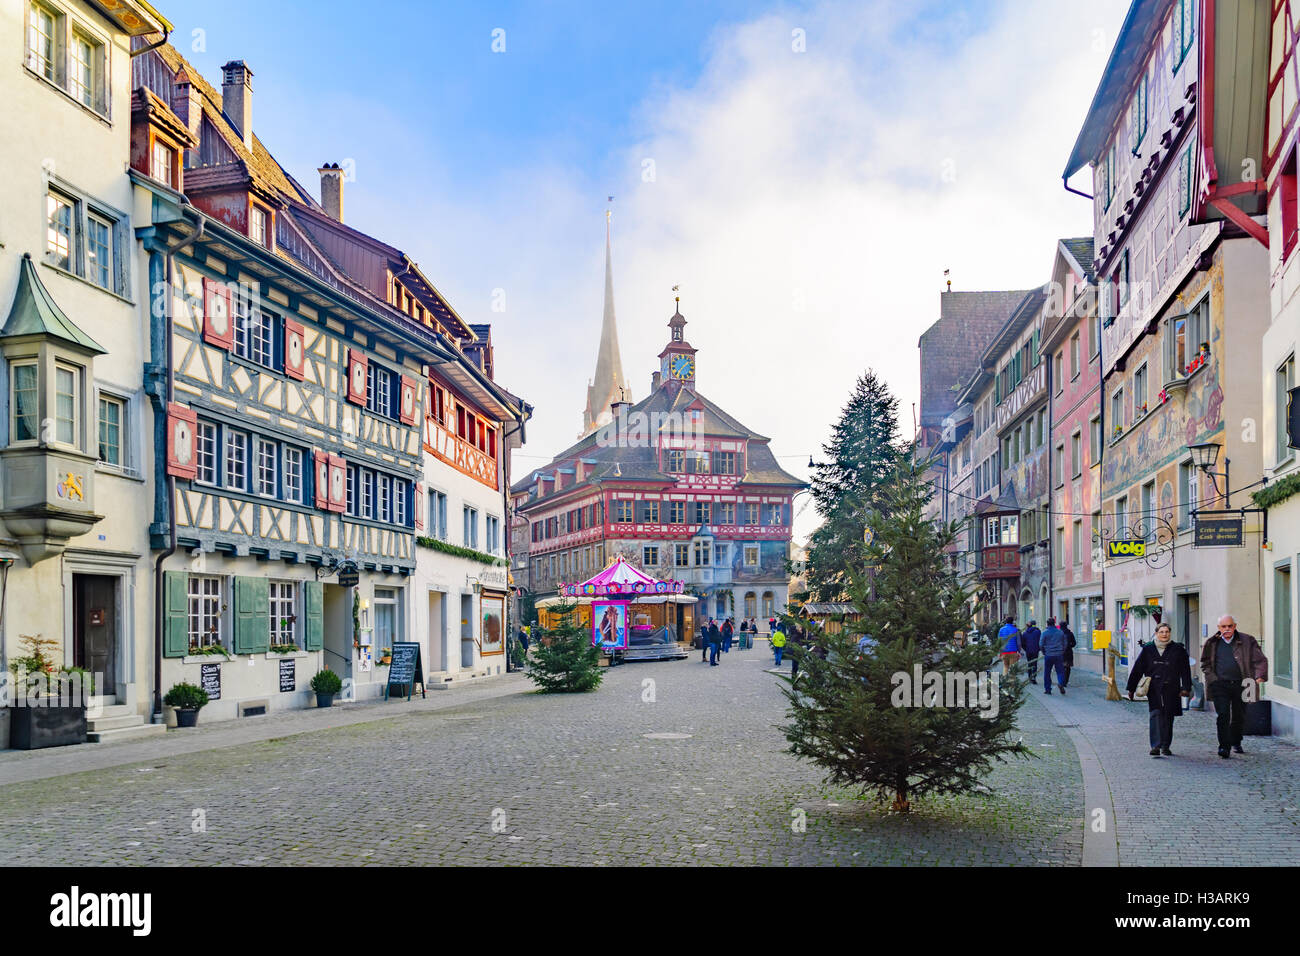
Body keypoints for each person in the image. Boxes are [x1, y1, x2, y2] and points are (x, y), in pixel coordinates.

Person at [1199, 615, 1269, 758]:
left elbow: (1260, 659)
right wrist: (1212, 678)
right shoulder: (1212, 643)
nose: (1227, 629)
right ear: (1219, 628)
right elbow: (1205, 663)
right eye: (1223, 627)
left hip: (1243, 683)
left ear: (1235, 626)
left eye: (1230, 626)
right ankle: (1224, 747)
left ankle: (1236, 740)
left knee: (1239, 715)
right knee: (1223, 714)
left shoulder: (1247, 640)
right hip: (1220, 684)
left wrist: (1259, 675)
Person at [1126, 622, 1193, 756]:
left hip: (1172, 687)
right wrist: (1131, 688)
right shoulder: (1148, 649)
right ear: (1156, 633)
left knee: (1168, 716)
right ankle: (1155, 746)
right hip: (1154, 688)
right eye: (1161, 632)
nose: (1164, 634)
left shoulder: (1178, 649)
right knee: (1155, 714)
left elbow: (1185, 670)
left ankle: (1165, 745)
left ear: (1170, 633)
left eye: (1167, 632)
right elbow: (1138, 669)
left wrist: (1186, 687)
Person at [1040, 617, 1067, 695]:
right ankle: (1061, 683)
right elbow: (1065, 643)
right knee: (1060, 671)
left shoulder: (1044, 633)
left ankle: (1048, 689)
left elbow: (1041, 644)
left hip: (1048, 654)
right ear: (1054, 623)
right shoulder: (1060, 632)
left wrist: (1044, 652)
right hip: (1058, 654)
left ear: (1047, 624)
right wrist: (1062, 651)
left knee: (1047, 672)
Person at [1020, 620, 1042, 684]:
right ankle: (1034, 677)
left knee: (1029, 663)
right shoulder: (1038, 632)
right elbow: (1040, 640)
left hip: (1028, 651)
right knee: (1034, 664)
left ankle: (1029, 677)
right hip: (1035, 650)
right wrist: (1039, 648)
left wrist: (1026, 649)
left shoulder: (1025, 633)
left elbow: (1023, 643)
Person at [1060, 618, 1077, 688]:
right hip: (1069, 652)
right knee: (1068, 668)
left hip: (1061, 652)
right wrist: (1069, 646)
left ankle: (1062, 681)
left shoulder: (1059, 633)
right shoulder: (1070, 633)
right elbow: (1074, 643)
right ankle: (1066, 681)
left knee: (1061, 667)